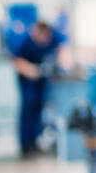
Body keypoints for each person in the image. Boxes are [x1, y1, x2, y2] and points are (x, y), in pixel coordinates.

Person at [12, 20, 64, 156]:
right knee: (28, 110)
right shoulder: (26, 42)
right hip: (28, 81)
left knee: (38, 110)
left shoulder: (53, 37)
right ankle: (25, 144)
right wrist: (31, 71)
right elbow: (18, 61)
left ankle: (34, 142)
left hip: (42, 80)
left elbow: (62, 48)